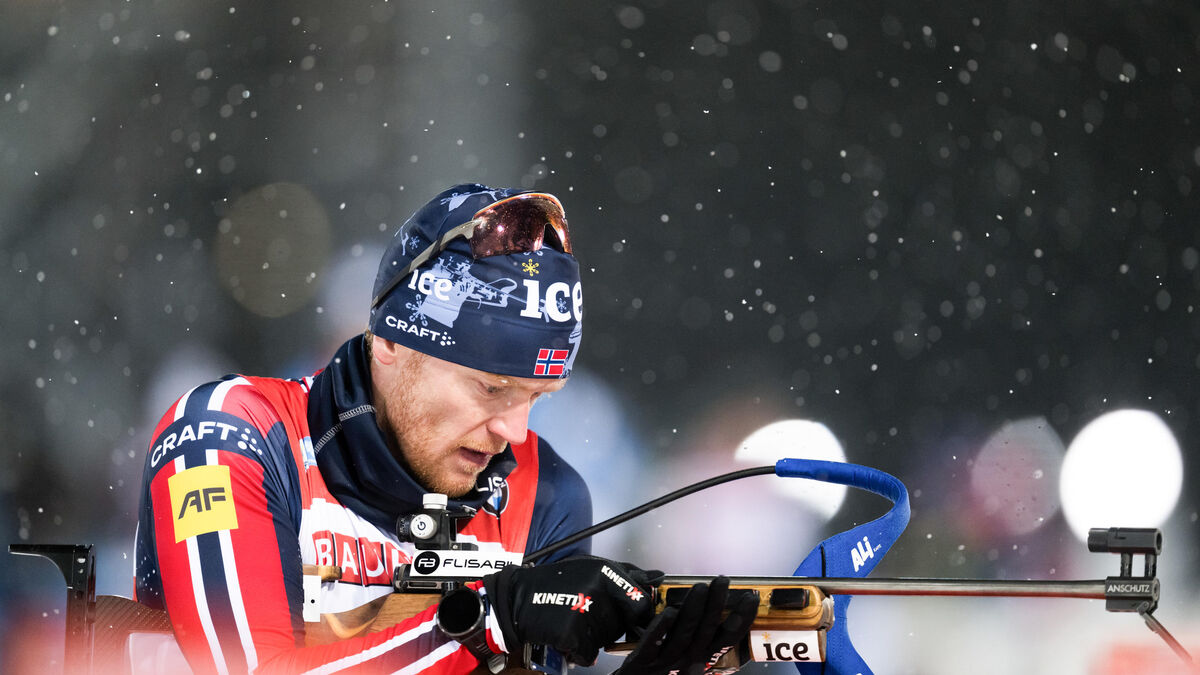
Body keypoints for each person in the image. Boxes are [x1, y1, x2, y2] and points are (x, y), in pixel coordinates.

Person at [133, 184, 756, 675]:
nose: (515, 432)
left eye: (536, 397)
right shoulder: (230, 434)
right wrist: (486, 623)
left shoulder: (545, 493)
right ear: (390, 344)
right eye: (491, 388)